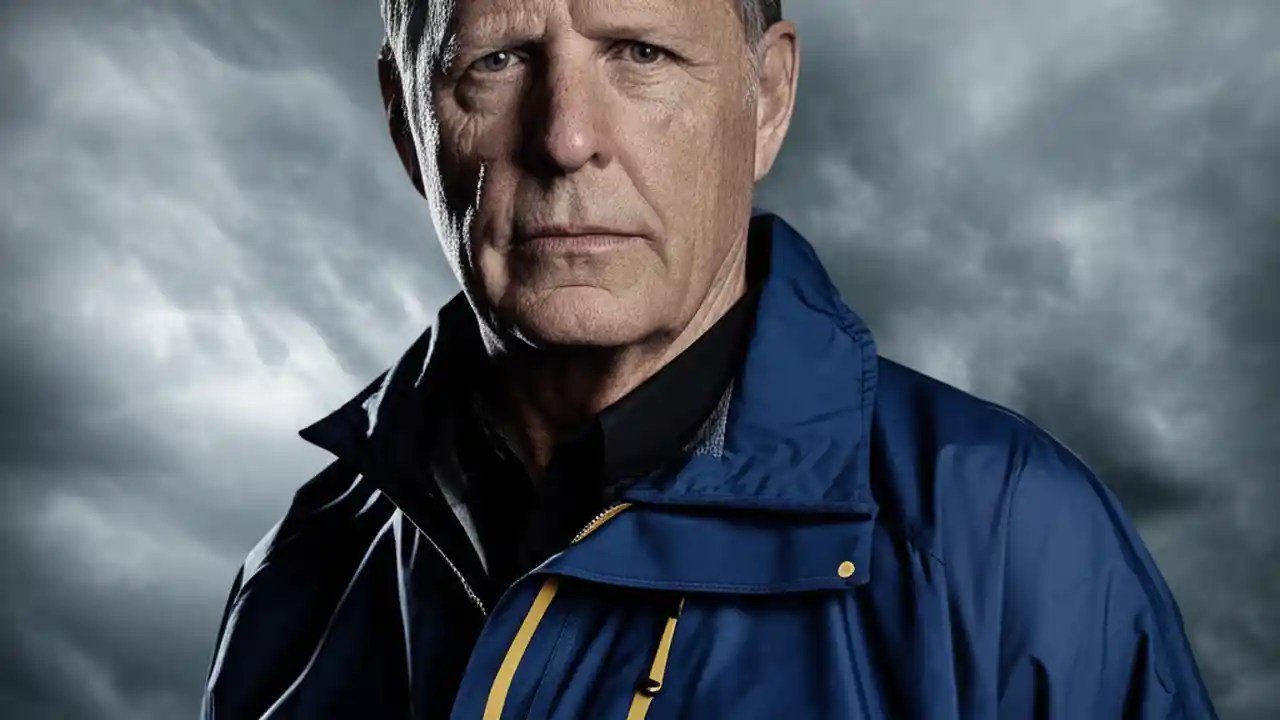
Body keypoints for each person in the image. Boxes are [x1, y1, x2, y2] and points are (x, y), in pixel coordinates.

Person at [200, 0, 1219, 717]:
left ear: (766, 99)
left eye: (639, 53)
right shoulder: (296, 574)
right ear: (406, 121)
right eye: (496, 59)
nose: (565, 138)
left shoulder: (1006, 536)